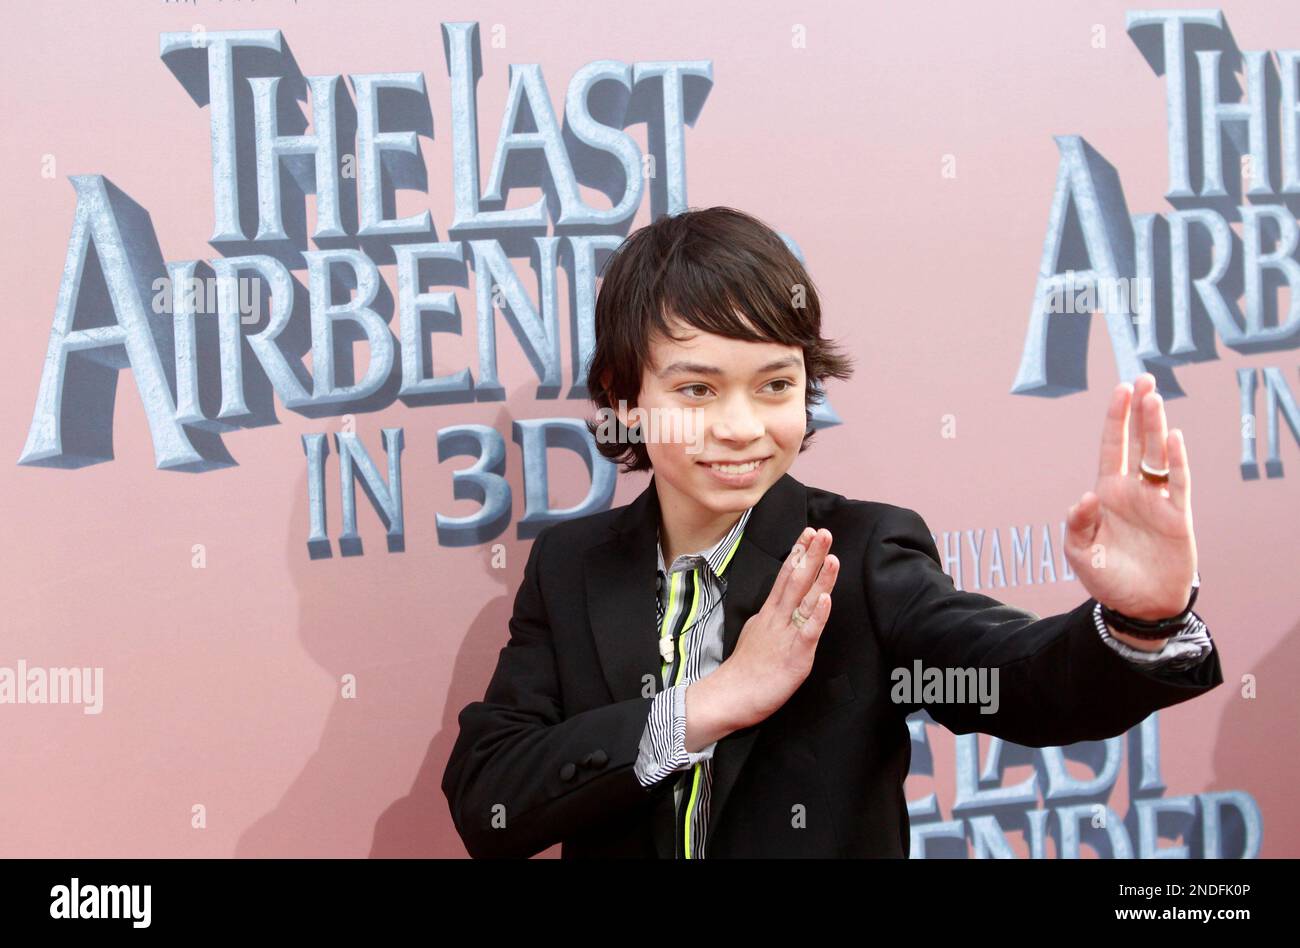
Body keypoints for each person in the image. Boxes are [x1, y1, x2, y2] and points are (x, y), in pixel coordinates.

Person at [440, 206, 1221, 858]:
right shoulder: (573, 566)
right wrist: (709, 704)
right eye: (698, 389)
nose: (742, 427)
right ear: (625, 395)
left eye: (775, 384)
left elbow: (1013, 681)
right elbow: (491, 799)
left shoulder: (863, 555)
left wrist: (1141, 622)